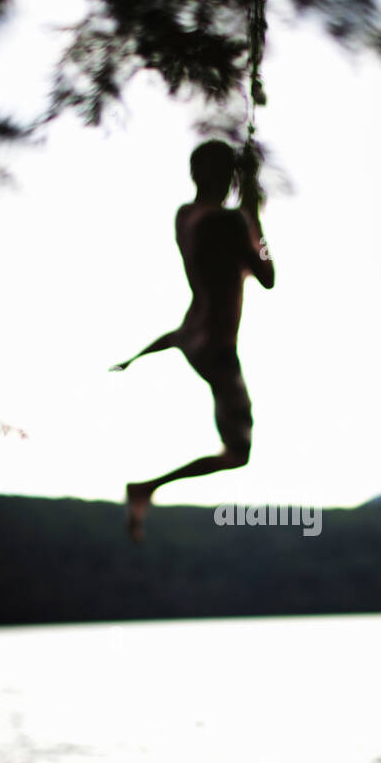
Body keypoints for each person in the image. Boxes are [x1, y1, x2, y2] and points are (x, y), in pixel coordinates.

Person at [114, 140, 275, 542]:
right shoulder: (229, 223)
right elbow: (267, 274)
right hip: (217, 348)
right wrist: (254, 216)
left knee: (235, 452)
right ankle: (145, 489)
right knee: (238, 454)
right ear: (227, 177)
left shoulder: (185, 216)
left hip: (192, 336)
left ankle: (145, 490)